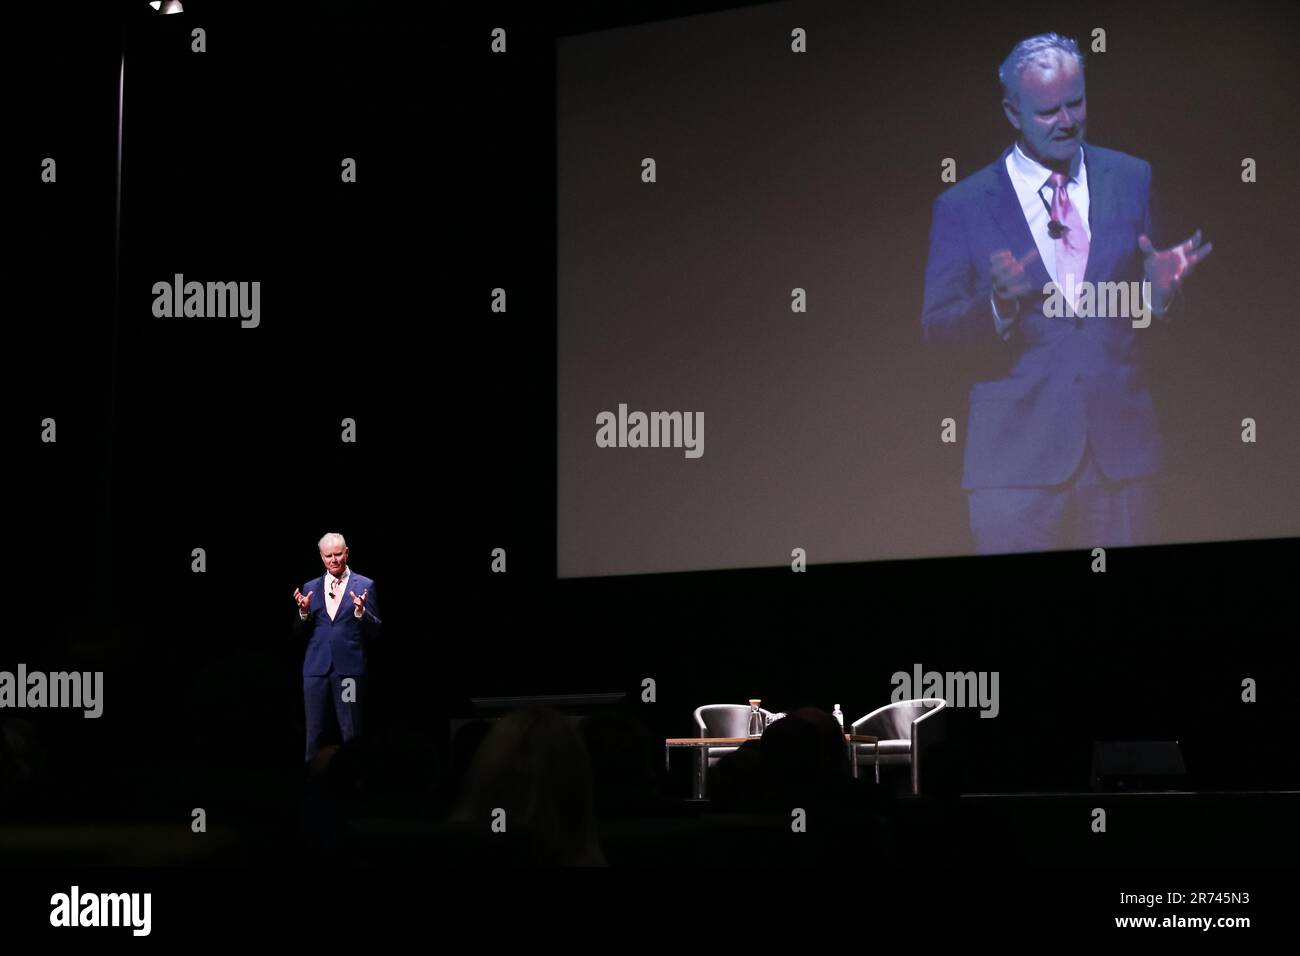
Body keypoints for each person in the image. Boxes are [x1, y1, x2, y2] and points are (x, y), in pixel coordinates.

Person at [921, 33, 1212, 554]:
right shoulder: (962, 206)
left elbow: (1152, 331)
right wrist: (997, 307)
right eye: (1048, 110)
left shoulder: (1132, 178)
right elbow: (936, 334)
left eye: (1076, 102)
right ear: (1013, 113)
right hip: (1014, 470)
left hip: (1120, 462)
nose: (1068, 120)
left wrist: (1156, 299)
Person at [293, 532, 381, 764]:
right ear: (321, 557)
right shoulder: (311, 587)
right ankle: (311, 785)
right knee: (314, 732)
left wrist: (361, 613)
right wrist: (303, 613)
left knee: (351, 731)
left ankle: (356, 782)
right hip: (316, 670)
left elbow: (376, 631)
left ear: (347, 553)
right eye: (328, 555)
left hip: (349, 671)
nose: (333, 559)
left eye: (338, 554)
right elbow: (298, 632)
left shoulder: (364, 585)